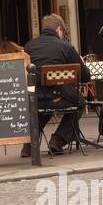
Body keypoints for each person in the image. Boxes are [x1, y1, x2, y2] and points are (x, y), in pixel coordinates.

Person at [23, 14, 90, 156]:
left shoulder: (28, 46)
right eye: (63, 32)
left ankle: (29, 145)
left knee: (43, 106)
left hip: (34, 97)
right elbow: (85, 76)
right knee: (79, 102)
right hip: (57, 96)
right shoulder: (65, 47)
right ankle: (58, 140)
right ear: (59, 29)